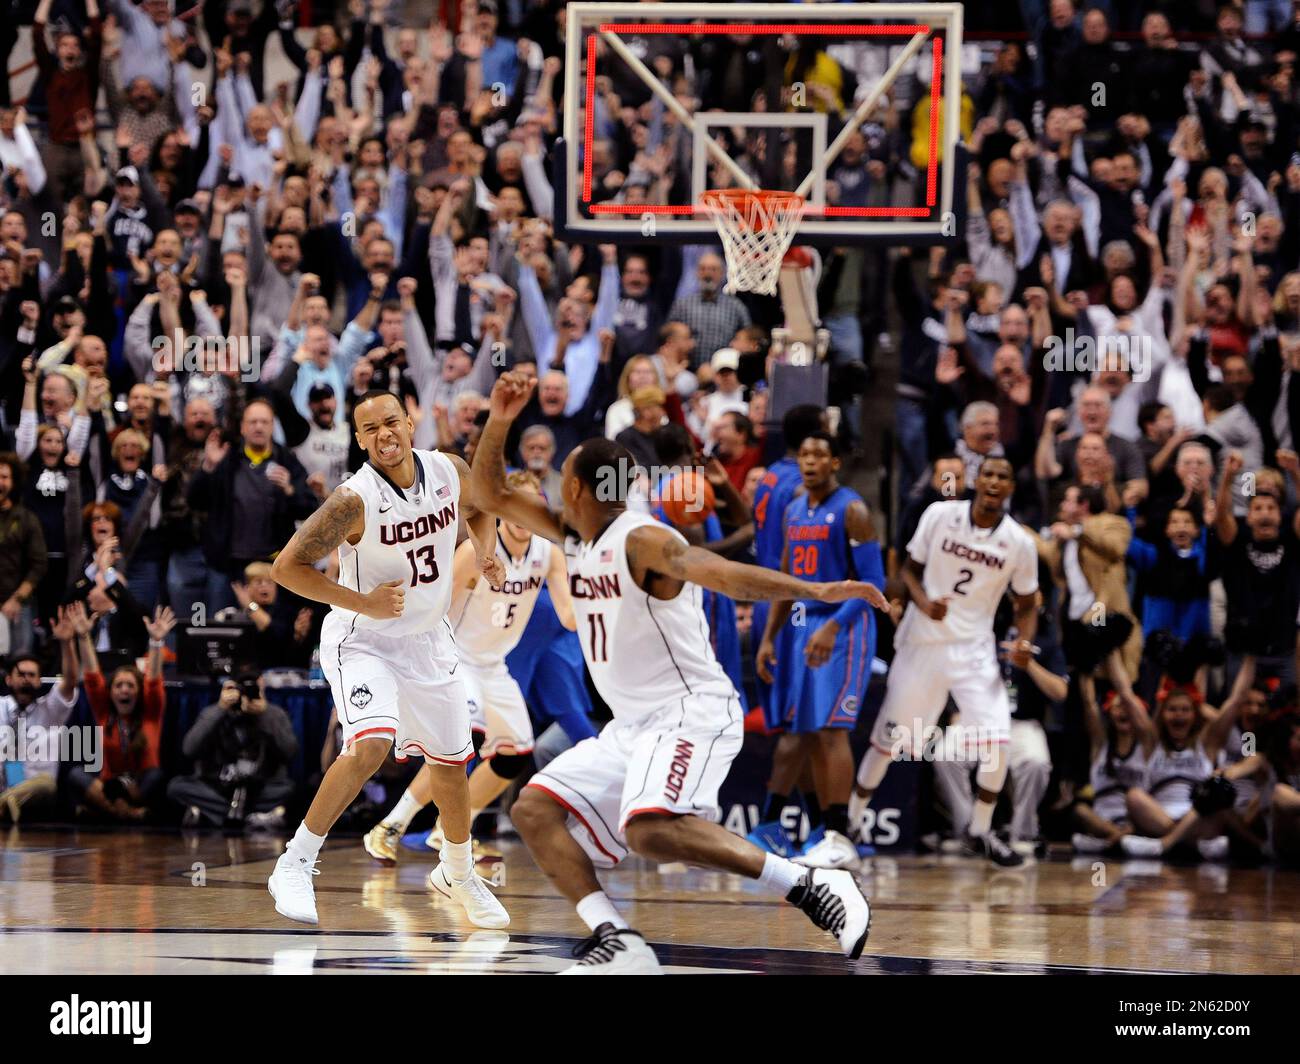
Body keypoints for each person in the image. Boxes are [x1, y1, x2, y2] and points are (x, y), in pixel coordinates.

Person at [471, 373, 885, 973]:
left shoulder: (640, 539)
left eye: (566, 480)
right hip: (632, 724)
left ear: (580, 488)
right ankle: (617, 939)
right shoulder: (573, 534)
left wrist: (814, 588)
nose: (559, 490)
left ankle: (808, 884)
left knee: (650, 830)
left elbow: (713, 569)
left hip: (689, 711)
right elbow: (486, 492)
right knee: (533, 810)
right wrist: (501, 417)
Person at [266, 390, 509, 930]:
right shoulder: (353, 500)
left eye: (391, 422)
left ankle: (458, 871)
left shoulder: (448, 469)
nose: (384, 435)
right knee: (372, 743)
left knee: (450, 763)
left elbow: (480, 508)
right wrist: (363, 602)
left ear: (410, 421)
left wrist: (485, 552)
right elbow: (287, 568)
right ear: (359, 440)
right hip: (363, 638)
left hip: (427, 638)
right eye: (370, 429)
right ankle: (296, 861)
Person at [363, 471, 576, 862]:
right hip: (455, 658)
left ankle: (446, 832)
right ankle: (390, 825)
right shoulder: (475, 552)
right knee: (466, 741)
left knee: (514, 755)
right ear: (500, 509)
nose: (521, 515)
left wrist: (603, 594)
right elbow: (435, 607)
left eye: (530, 507)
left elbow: (570, 617)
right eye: (513, 506)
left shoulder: (549, 554)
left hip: (495, 665)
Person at [850, 458, 1040, 867]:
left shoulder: (1020, 543)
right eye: (988, 474)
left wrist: (1024, 641)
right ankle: (850, 821)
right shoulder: (939, 515)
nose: (994, 482)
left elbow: (1027, 603)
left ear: (1010, 488)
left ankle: (980, 830)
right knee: (890, 741)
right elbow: (908, 570)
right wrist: (923, 602)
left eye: (1003, 477)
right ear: (976, 480)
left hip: (974, 649)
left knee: (997, 740)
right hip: (924, 642)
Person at [754, 432, 886, 869]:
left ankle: (840, 835)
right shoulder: (793, 509)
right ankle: (807, 829)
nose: (809, 461)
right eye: (804, 454)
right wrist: (771, 636)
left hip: (844, 626)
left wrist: (832, 626)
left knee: (831, 731)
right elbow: (787, 582)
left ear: (834, 464)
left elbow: (875, 585)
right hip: (800, 624)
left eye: (819, 455)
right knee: (803, 731)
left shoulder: (853, 509)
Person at [71, 604, 174, 821]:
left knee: (157, 776)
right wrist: (83, 636)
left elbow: (154, 681)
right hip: (108, 785)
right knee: (76, 774)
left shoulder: (150, 713)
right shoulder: (104, 711)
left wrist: (156, 641)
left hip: (139, 786)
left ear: (139, 692)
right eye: (118, 686)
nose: (124, 690)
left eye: (130, 686)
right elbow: (91, 677)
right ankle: (125, 813)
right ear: (111, 693)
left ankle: (104, 811)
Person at [167, 675, 298, 831]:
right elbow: (189, 749)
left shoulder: (274, 714)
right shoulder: (212, 711)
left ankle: (211, 816)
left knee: (291, 790)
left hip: (260, 788)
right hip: (218, 787)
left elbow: (290, 752)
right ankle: (254, 818)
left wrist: (265, 714)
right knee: (176, 787)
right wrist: (220, 708)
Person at [0, 603, 85, 821]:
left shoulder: (51, 710)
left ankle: (7, 802)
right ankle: (6, 803)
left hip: (36, 796)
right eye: (22, 675)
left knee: (45, 784)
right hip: (3, 786)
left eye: (32, 675)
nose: (27, 680)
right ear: (9, 679)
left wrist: (66, 642)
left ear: (39, 681)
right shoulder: (1, 706)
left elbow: (70, 681)